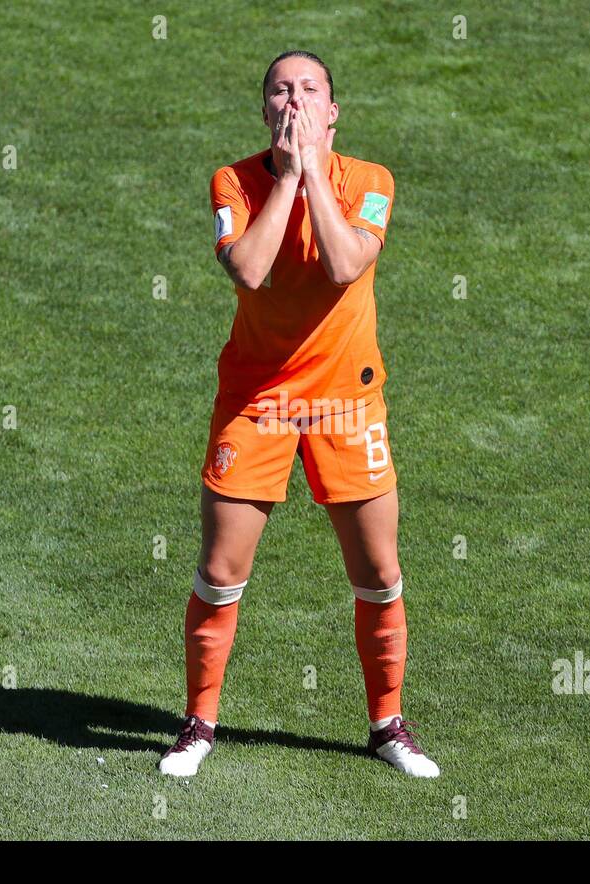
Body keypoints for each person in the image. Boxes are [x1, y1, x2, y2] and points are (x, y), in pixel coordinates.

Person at [159, 50, 439, 779]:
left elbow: (345, 264)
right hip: (257, 402)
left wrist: (312, 169)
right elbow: (250, 270)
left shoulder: (371, 182)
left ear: (333, 111)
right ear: (264, 112)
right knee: (220, 570)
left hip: (348, 402)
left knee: (378, 572)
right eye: (281, 91)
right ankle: (199, 723)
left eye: (310, 90)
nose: (295, 101)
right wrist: (288, 176)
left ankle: (387, 725)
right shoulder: (233, 182)